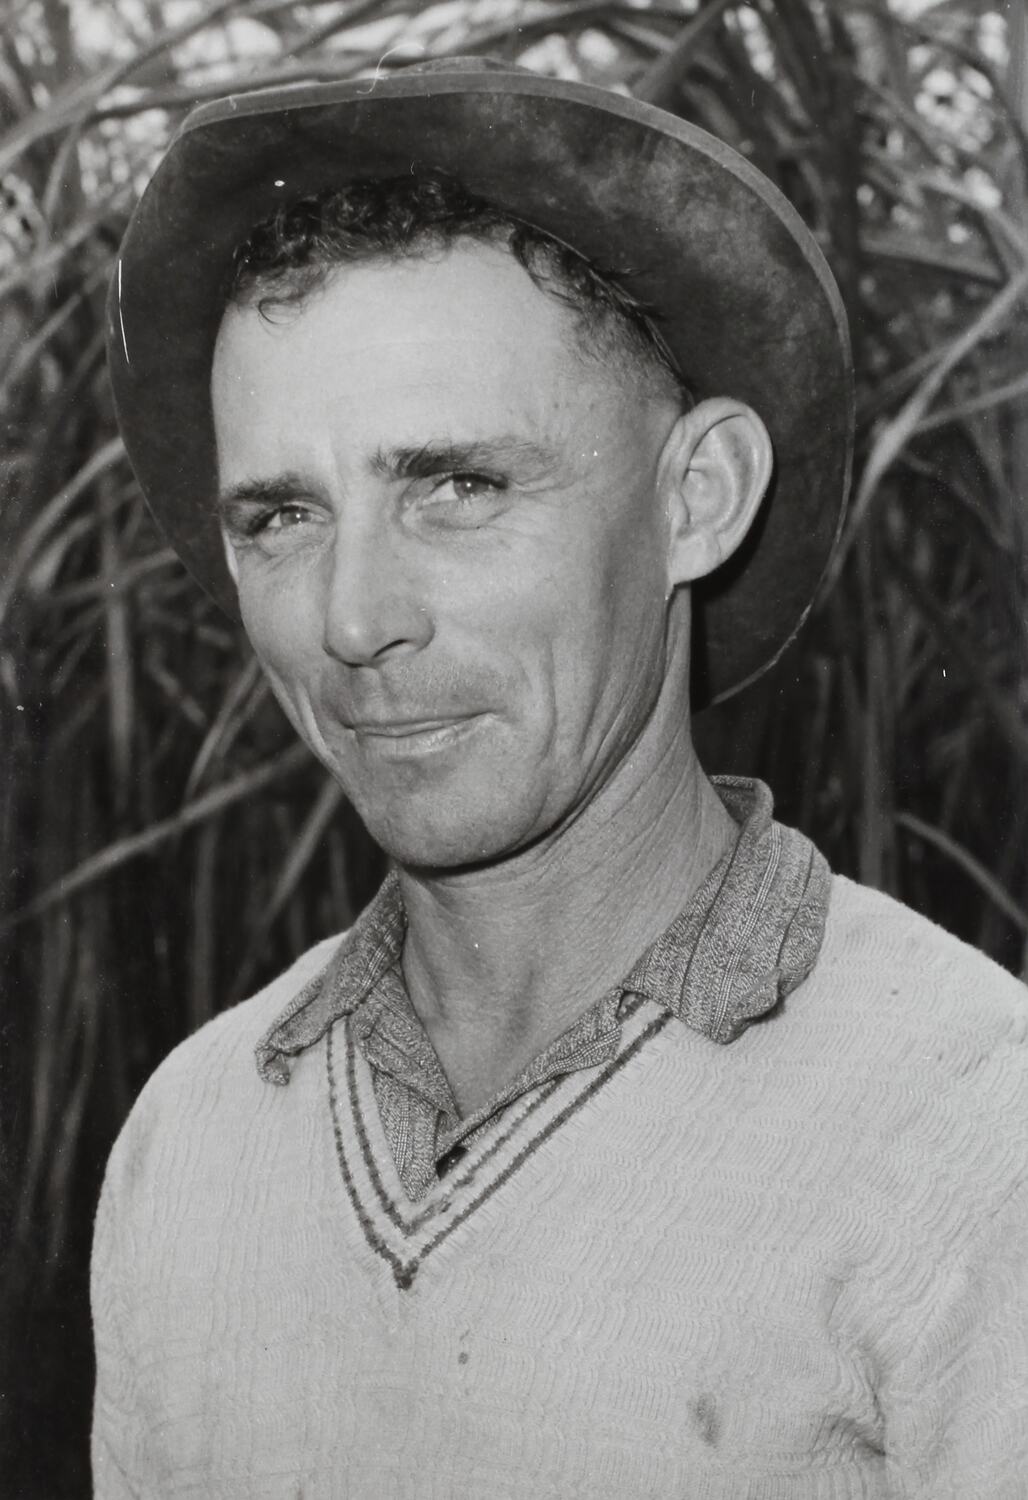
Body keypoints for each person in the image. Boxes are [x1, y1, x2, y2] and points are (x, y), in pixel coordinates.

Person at [92, 58, 1028, 1500]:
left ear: (694, 500)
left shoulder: (974, 1128)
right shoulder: (192, 1138)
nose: (352, 619)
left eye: (458, 486)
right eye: (283, 512)